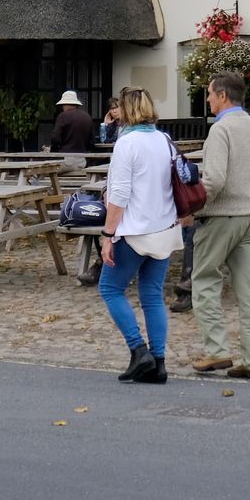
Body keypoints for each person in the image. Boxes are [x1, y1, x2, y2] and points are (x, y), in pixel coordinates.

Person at [95, 87, 181, 383]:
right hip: (164, 227)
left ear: (126, 111)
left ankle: (138, 349)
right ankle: (158, 362)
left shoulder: (127, 143)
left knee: (110, 289)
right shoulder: (165, 140)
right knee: (152, 296)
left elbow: (118, 194)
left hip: (134, 229)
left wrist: (108, 234)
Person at [190, 70, 250, 381]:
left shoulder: (220, 130)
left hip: (222, 215)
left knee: (205, 281)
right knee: (248, 291)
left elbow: (214, 179)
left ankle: (218, 349)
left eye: (210, 94)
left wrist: (194, 206)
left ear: (222, 95)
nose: (208, 99)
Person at [51, 90, 96, 154]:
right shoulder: (87, 116)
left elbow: (55, 138)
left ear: (64, 104)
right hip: (83, 156)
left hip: (64, 156)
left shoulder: (62, 116)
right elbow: (91, 141)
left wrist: (53, 152)